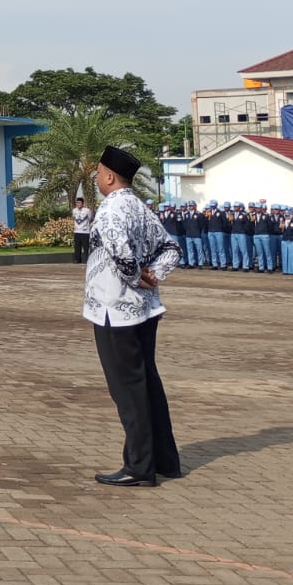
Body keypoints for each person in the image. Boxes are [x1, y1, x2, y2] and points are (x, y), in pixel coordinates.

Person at [84, 145, 182, 488]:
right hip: (145, 309)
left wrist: (134, 274)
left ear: (109, 176)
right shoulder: (140, 207)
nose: (96, 177)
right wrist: (153, 274)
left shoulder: (111, 209)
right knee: (148, 382)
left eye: (98, 172)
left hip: (115, 309)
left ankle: (139, 466)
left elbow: (120, 252)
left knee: (128, 390)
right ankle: (165, 460)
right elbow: (172, 249)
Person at [72, 196, 94, 263]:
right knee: (77, 247)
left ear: (83, 203)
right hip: (77, 231)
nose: (78, 204)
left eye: (80, 203)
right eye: (77, 203)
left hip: (85, 232)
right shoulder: (74, 210)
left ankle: (88, 260)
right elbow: (74, 218)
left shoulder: (87, 210)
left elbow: (90, 219)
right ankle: (77, 260)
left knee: (86, 247)